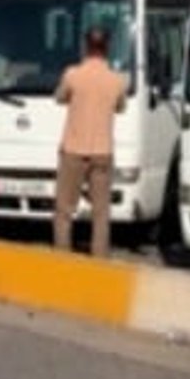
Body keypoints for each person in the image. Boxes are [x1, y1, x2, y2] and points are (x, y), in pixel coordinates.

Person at [52, 25, 128, 257]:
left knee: (65, 210)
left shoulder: (72, 74)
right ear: (108, 47)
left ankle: (63, 258)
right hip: (102, 152)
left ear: (85, 46)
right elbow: (121, 107)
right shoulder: (117, 80)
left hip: (73, 150)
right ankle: (99, 261)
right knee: (101, 213)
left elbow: (59, 97)